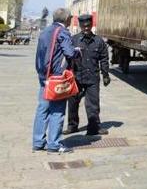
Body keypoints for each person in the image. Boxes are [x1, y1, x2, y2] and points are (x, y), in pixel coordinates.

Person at [32, 8, 80, 154]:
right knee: (57, 111)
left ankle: (38, 142)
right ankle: (54, 144)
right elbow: (69, 53)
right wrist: (77, 50)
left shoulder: (45, 31)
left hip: (44, 76)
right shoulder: (63, 32)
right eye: (70, 18)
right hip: (57, 78)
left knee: (42, 109)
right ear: (66, 19)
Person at [63, 13, 111, 136]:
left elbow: (104, 59)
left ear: (91, 25)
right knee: (73, 103)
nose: (86, 28)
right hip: (76, 77)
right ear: (80, 25)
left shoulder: (99, 41)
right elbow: (67, 57)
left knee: (93, 104)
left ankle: (93, 127)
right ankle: (72, 126)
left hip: (92, 78)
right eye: (83, 26)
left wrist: (105, 74)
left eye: (88, 26)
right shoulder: (73, 40)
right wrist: (67, 74)